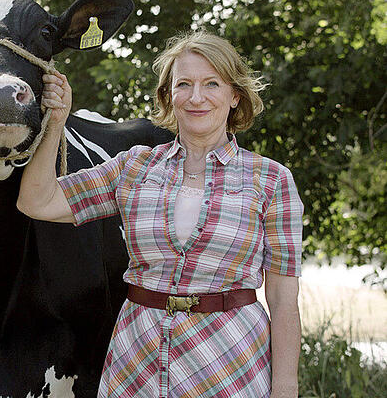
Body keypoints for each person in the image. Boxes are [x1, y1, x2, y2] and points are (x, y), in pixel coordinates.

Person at [17, 30, 302, 398]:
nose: (196, 97)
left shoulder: (272, 180)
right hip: (136, 361)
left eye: (211, 83)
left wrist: (285, 387)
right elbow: (36, 201)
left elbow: (282, 299)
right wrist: (55, 123)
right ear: (169, 96)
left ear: (235, 95)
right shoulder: (134, 167)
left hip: (231, 364)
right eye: (183, 84)